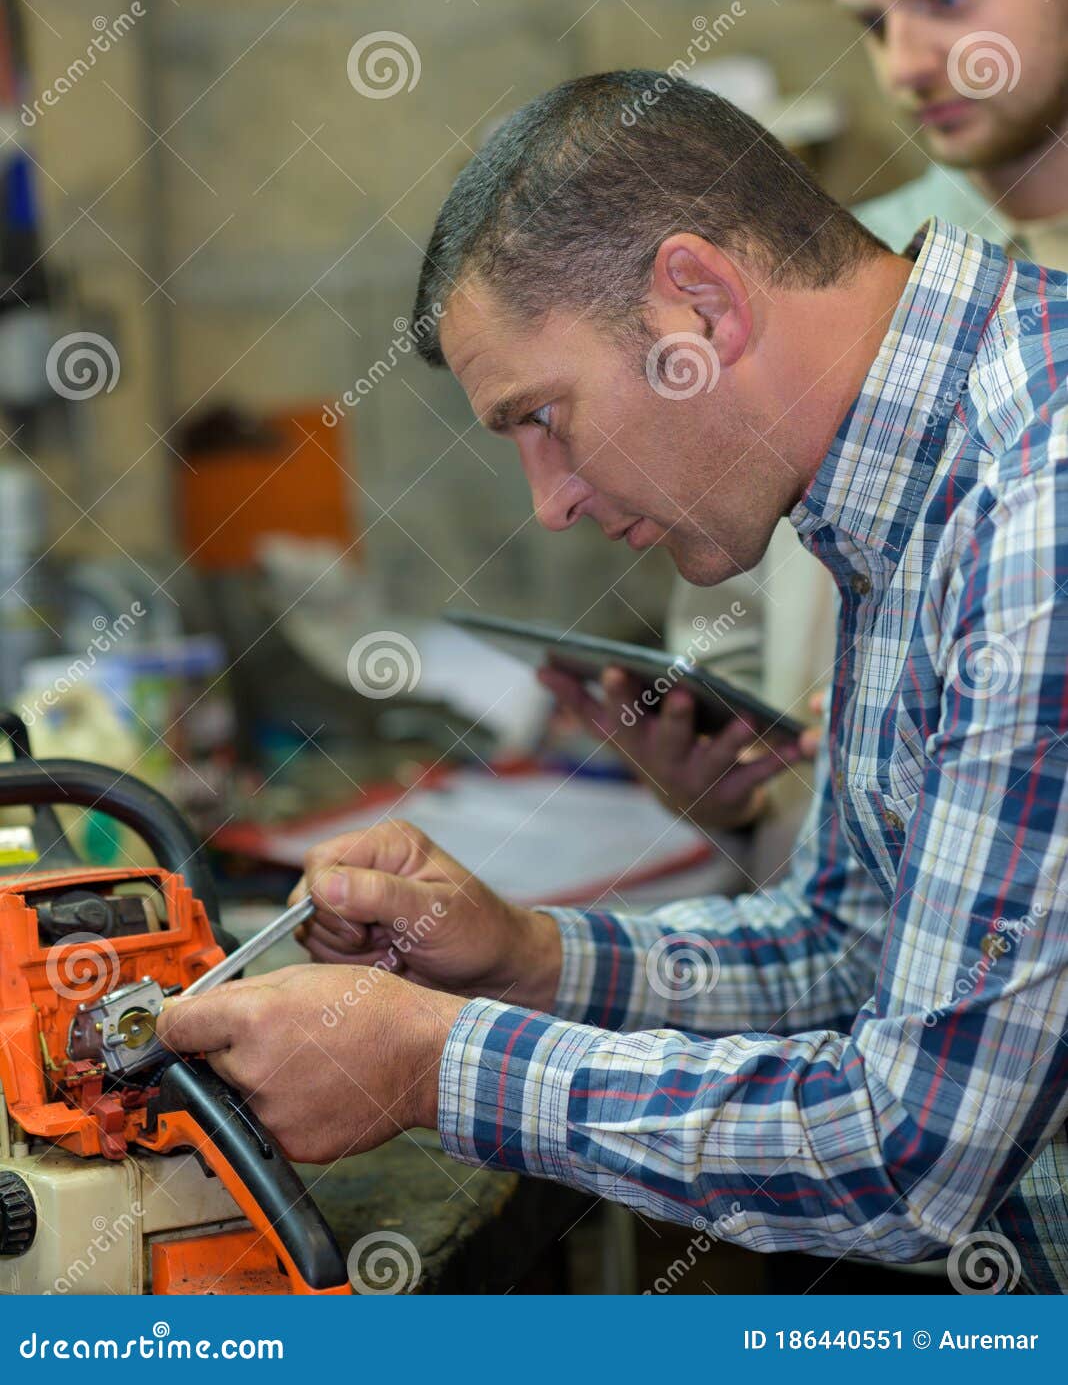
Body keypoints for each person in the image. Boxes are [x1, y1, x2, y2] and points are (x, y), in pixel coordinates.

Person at [160, 72, 1068, 1289]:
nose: (553, 501)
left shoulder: (1035, 507)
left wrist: (434, 1064)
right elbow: (854, 949)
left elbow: (909, 1152)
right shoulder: (911, 487)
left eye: (547, 417)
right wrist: (529, 959)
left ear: (699, 304)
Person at [553, 0, 1068, 885]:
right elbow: (746, 663)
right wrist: (733, 797)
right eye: (873, 20)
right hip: (851, 978)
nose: (903, 64)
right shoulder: (843, 286)